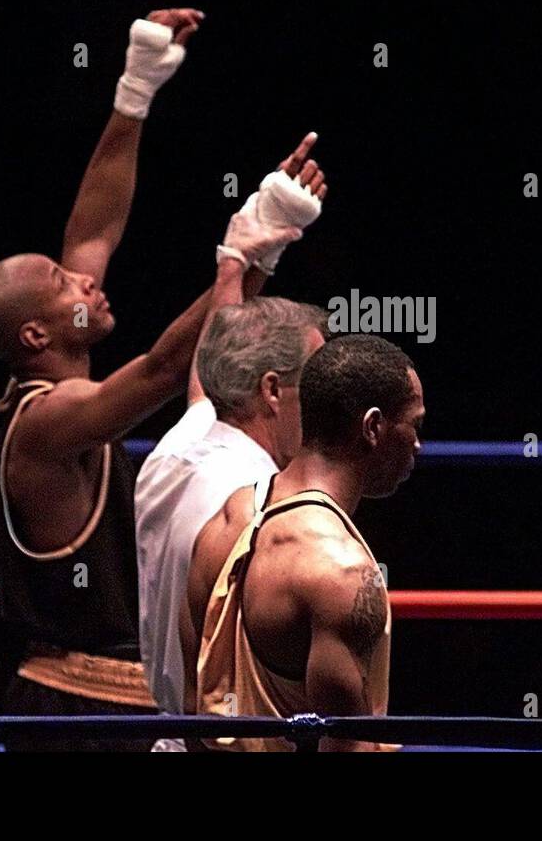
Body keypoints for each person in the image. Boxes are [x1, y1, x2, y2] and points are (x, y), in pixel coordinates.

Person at [0, 7, 306, 747]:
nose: (85, 282)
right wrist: (241, 258)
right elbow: (163, 369)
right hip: (81, 703)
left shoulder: (60, 381)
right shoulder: (46, 423)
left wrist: (136, 87)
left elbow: (93, 229)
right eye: (64, 285)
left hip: (120, 699)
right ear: (35, 335)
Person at [182, 335, 425, 751]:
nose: (418, 444)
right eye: (414, 425)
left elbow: (194, 715)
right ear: (373, 427)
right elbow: (348, 748)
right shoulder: (340, 571)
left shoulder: (224, 522)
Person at [135, 295, 328, 749]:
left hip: (174, 733)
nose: (328, 402)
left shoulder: (172, 450)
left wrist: (237, 266)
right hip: (231, 742)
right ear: (272, 390)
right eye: (316, 384)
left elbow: (202, 388)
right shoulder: (261, 499)